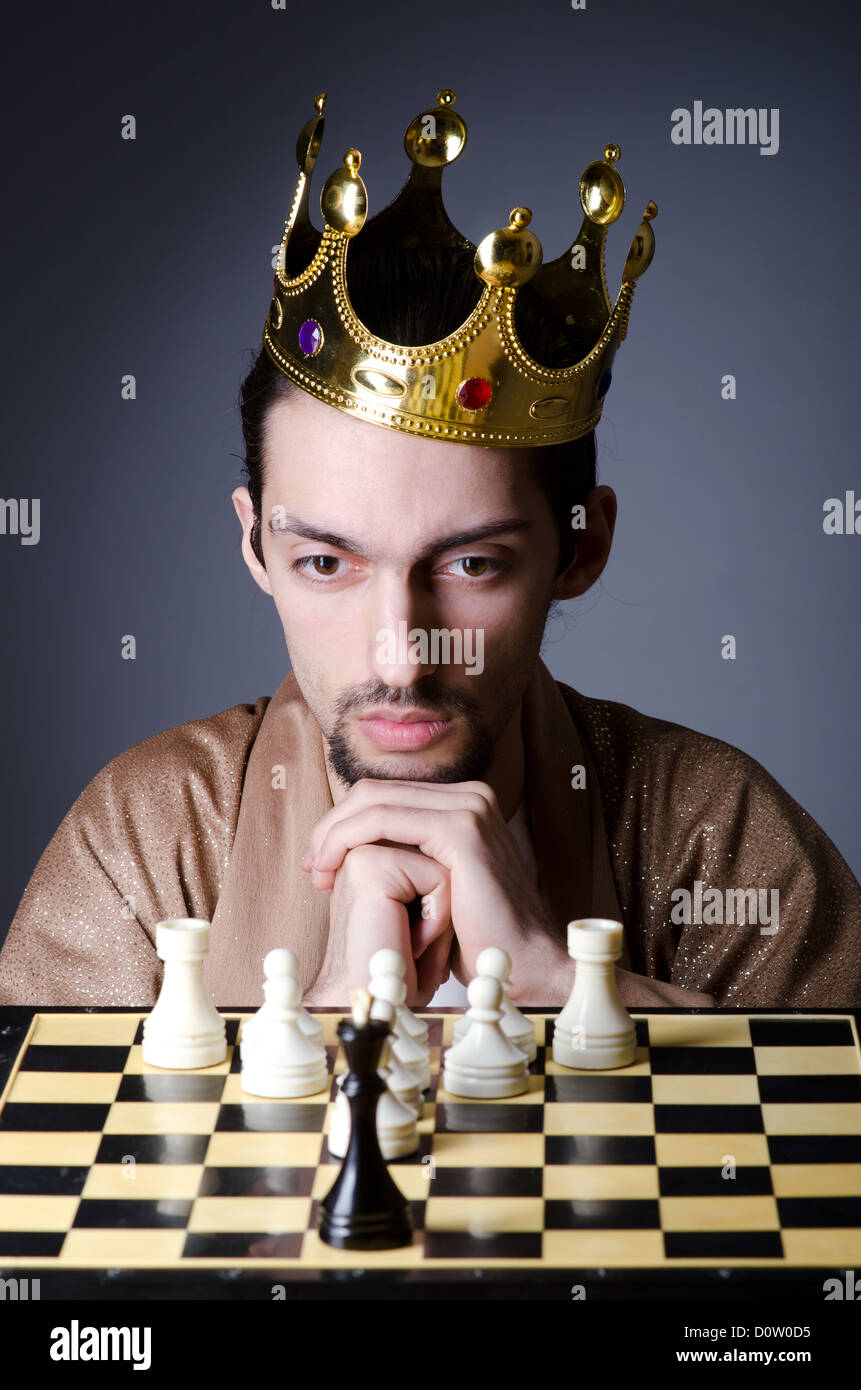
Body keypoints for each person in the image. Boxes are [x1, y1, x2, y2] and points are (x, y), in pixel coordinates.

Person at [1, 92, 859, 1011]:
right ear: (254, 544)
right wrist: (332, 1034)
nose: (401, 657)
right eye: (327, 563)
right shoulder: (146, 840)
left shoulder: (714, 833)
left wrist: (574, 994)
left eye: (471, 564)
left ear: (582, 546)